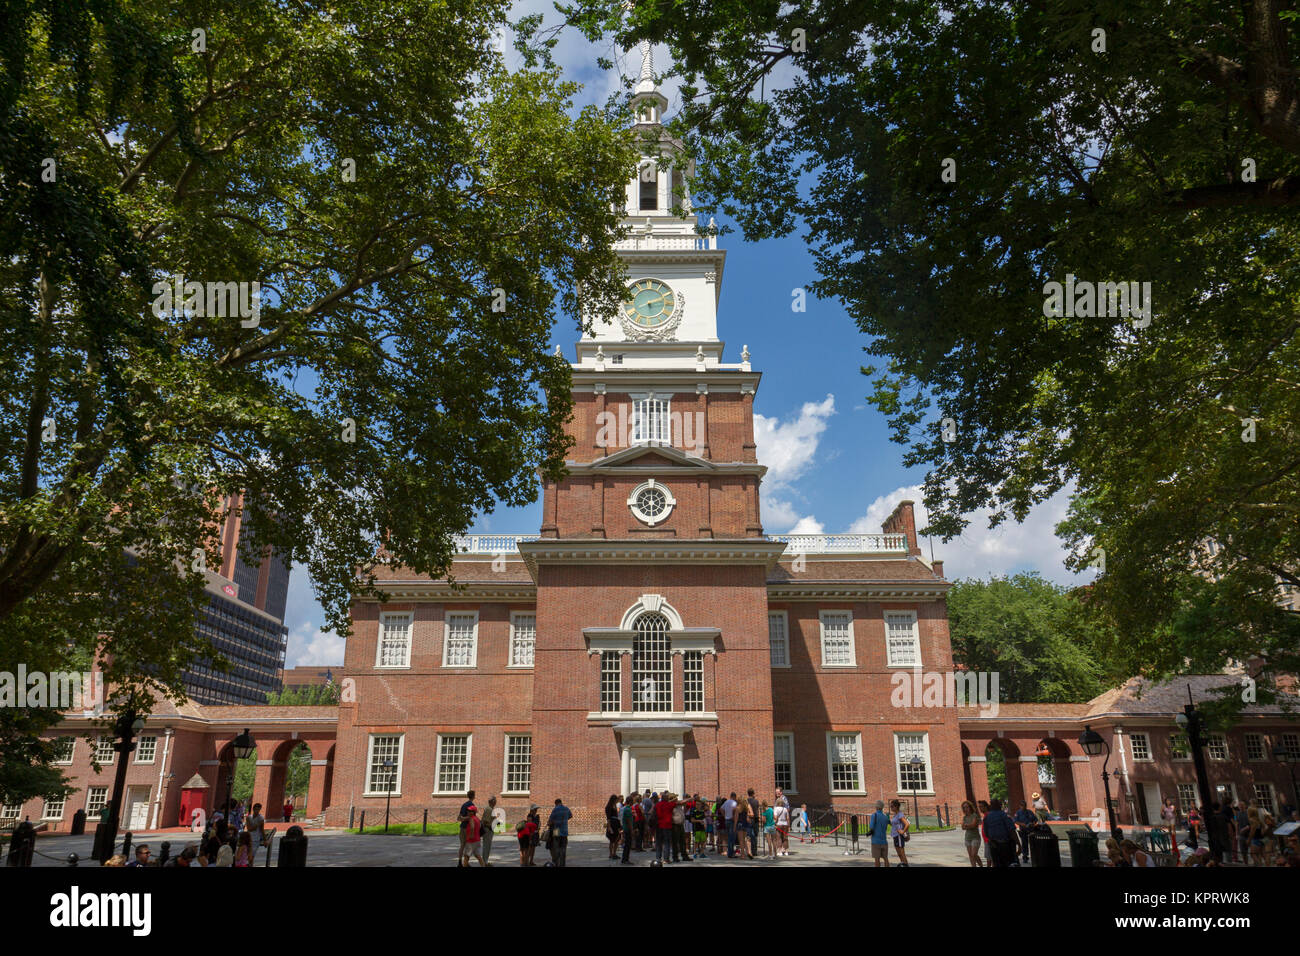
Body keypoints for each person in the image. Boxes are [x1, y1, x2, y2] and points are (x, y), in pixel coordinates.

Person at [982, 799, 1019, 867]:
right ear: (999, 806)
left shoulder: (987, 818)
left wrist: (991, 841)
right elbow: (1012, 831)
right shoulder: (1004, 815)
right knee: (1010, 863)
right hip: (1005, 845)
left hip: (994, 846)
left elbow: (986, 833)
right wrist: (1019, 844)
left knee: (997, 864)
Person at [653, 790, 677, 865]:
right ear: (666, 799)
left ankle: (658, 858)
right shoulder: (669, 804)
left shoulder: (657, 805)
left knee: (659, 843)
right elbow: (678, 802)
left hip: (659, 825)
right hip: (667, 826)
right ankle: (666, 859)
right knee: (667, 843)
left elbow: (652, 812)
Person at [547, 797, 572, 866]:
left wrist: (552, 822)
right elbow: (570, 815)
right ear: (561, 802)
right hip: (564, 830)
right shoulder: (566, 809)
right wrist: (564, 819)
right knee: (563, 849)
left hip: (556, 830)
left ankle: (556, 863)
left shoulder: (555, 809)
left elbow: (550, 820)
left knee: (556, 848)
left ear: (556, 803)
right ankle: (562, 864)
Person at [960, 801, 983, 868]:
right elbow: (963, 827)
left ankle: (981, 865)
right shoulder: (965, 817)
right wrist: (968, 825)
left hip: (975, 837)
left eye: (967, 807)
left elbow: (973, 825)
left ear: (970, 807)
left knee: (974, 854)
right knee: (970, 855)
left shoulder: (974, 815)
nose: (965, 809)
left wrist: (967, 825)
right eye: (964, 808)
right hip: (968, 838)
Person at [456, 790, 476, 866]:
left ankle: (460, 862)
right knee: (468, 846)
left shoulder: (464, 804)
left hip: (462, 827)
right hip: (468, 828)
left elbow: (459, 817)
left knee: (462, 845)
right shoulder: (472, 806)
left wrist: (462, 818)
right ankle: (466, 863)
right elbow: (472, 817)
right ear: (473, 796)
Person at [867, 800, 890, 867]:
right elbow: (887, 825)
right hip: (884, 841)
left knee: (877, 859)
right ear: (882, 807)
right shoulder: (885, 817)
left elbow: (871, 827)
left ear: (876, 807)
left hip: (876, 841)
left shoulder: (874, 815)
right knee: (886, 858)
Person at [889, 799, 910, 867]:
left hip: (899, 836)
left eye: (892, 806)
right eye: (890, 806)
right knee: (899, 854)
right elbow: (895, 824)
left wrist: (903, 831)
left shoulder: (900, 814)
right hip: (895, 836)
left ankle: (906, 865)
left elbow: (907, 824)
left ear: (896, 807)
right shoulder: (896, 814)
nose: (891, 808)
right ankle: (903, 865)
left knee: (902, 853)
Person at [734, 792, 753, 859]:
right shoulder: (747, 806)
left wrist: (734, 827)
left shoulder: (737, 808)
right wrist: (748, 815)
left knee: (741, 840)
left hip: (740, 824)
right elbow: (752, 814)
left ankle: (742, 855)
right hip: (746, 824)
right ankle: (749, 852)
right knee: (746, 838)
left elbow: (736, 819)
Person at [620, 795, 637, 864]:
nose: (633, 802)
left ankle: (625, 859)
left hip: (626, 829)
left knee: (627, 845)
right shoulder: (627, 809)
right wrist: (632, 830)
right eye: (632, 801)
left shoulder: (627, 809)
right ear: (630, 801)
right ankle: (625, 859)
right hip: (628, 829)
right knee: (627, 845)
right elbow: (629, 821)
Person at [481, 795, 498, 863]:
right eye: (495, 801)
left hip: (489, 830)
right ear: (493, 802)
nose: (496, 802)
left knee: (487, 846)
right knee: (486, 846)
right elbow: (485, 821)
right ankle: (484, 862)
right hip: (488, 830)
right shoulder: (489, 809)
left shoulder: (490, 809)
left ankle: (485, 861)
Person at [605, 794, 621, 859]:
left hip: (616, 824)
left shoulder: (614, 806)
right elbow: (608, 818)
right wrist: (609, 827)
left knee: (617, 839)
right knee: (612, 840)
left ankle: (614, 853)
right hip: (612, 824)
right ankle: (611, 854)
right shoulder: (608, 807)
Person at [723, 792, 739, 857]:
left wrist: (725, 816)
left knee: (729, 837)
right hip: (732, 821)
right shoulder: (734, 803)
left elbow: (721, 809)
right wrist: (732, 816)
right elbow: (734, 809)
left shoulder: (726, 802)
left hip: (726, 820)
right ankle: (731, 853)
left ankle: (730, 852)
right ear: (734, 797)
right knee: (732, 838)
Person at [746, 788, 761, 858]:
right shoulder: (756, 801)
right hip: (755, 820)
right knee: (755, 835)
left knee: (748, 836)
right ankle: (754, 851)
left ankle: (749, 851)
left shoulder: (746, 801)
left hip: (748, 819)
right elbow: (757, 810)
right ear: (753, 793)